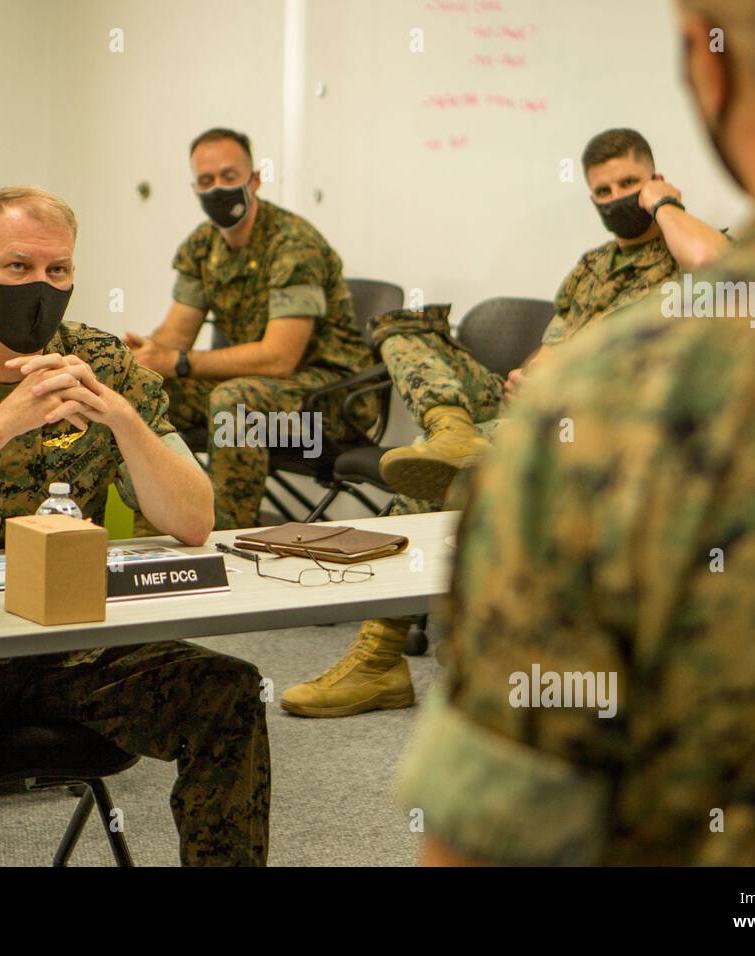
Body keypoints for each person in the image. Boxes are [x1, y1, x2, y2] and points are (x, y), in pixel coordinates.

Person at [398, 0, 755, 865]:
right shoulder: (596, 333)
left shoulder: (612, 408)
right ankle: (447, 440)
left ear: (707, 67)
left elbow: (493, 840)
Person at [0, 185, 270, 866]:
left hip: (60, 640)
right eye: (19, 268)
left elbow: (193, 520)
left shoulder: (103, 364)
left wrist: (121, 419)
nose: (41, 286)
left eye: (57, 271)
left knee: (228, 696)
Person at [281, 128, 728, 718]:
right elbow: (554, 342)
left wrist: (666, 204)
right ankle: (451, 430)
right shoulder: (591, 267)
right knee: (404, 326)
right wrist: (527, 375)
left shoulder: (688, 246)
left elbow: (715, 267)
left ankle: (378, 659)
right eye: (602, 189)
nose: (616, 196)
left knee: (436, 479)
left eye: (629, 183)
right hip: (536, 406)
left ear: (654, 178)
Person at [125, 127, 378, 531]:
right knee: (139, 391)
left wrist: (180, 361)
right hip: (264, 396)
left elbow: (279, 358)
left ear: (254, 180)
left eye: (229, 177)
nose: (218, 189)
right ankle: (154, 528)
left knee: (235, 403)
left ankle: (225, 537)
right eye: (207, 182)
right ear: (194, 188)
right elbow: (176, 336)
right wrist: (143, 358)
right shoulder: (202, 246)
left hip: (328, 409)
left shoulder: (293, 243)